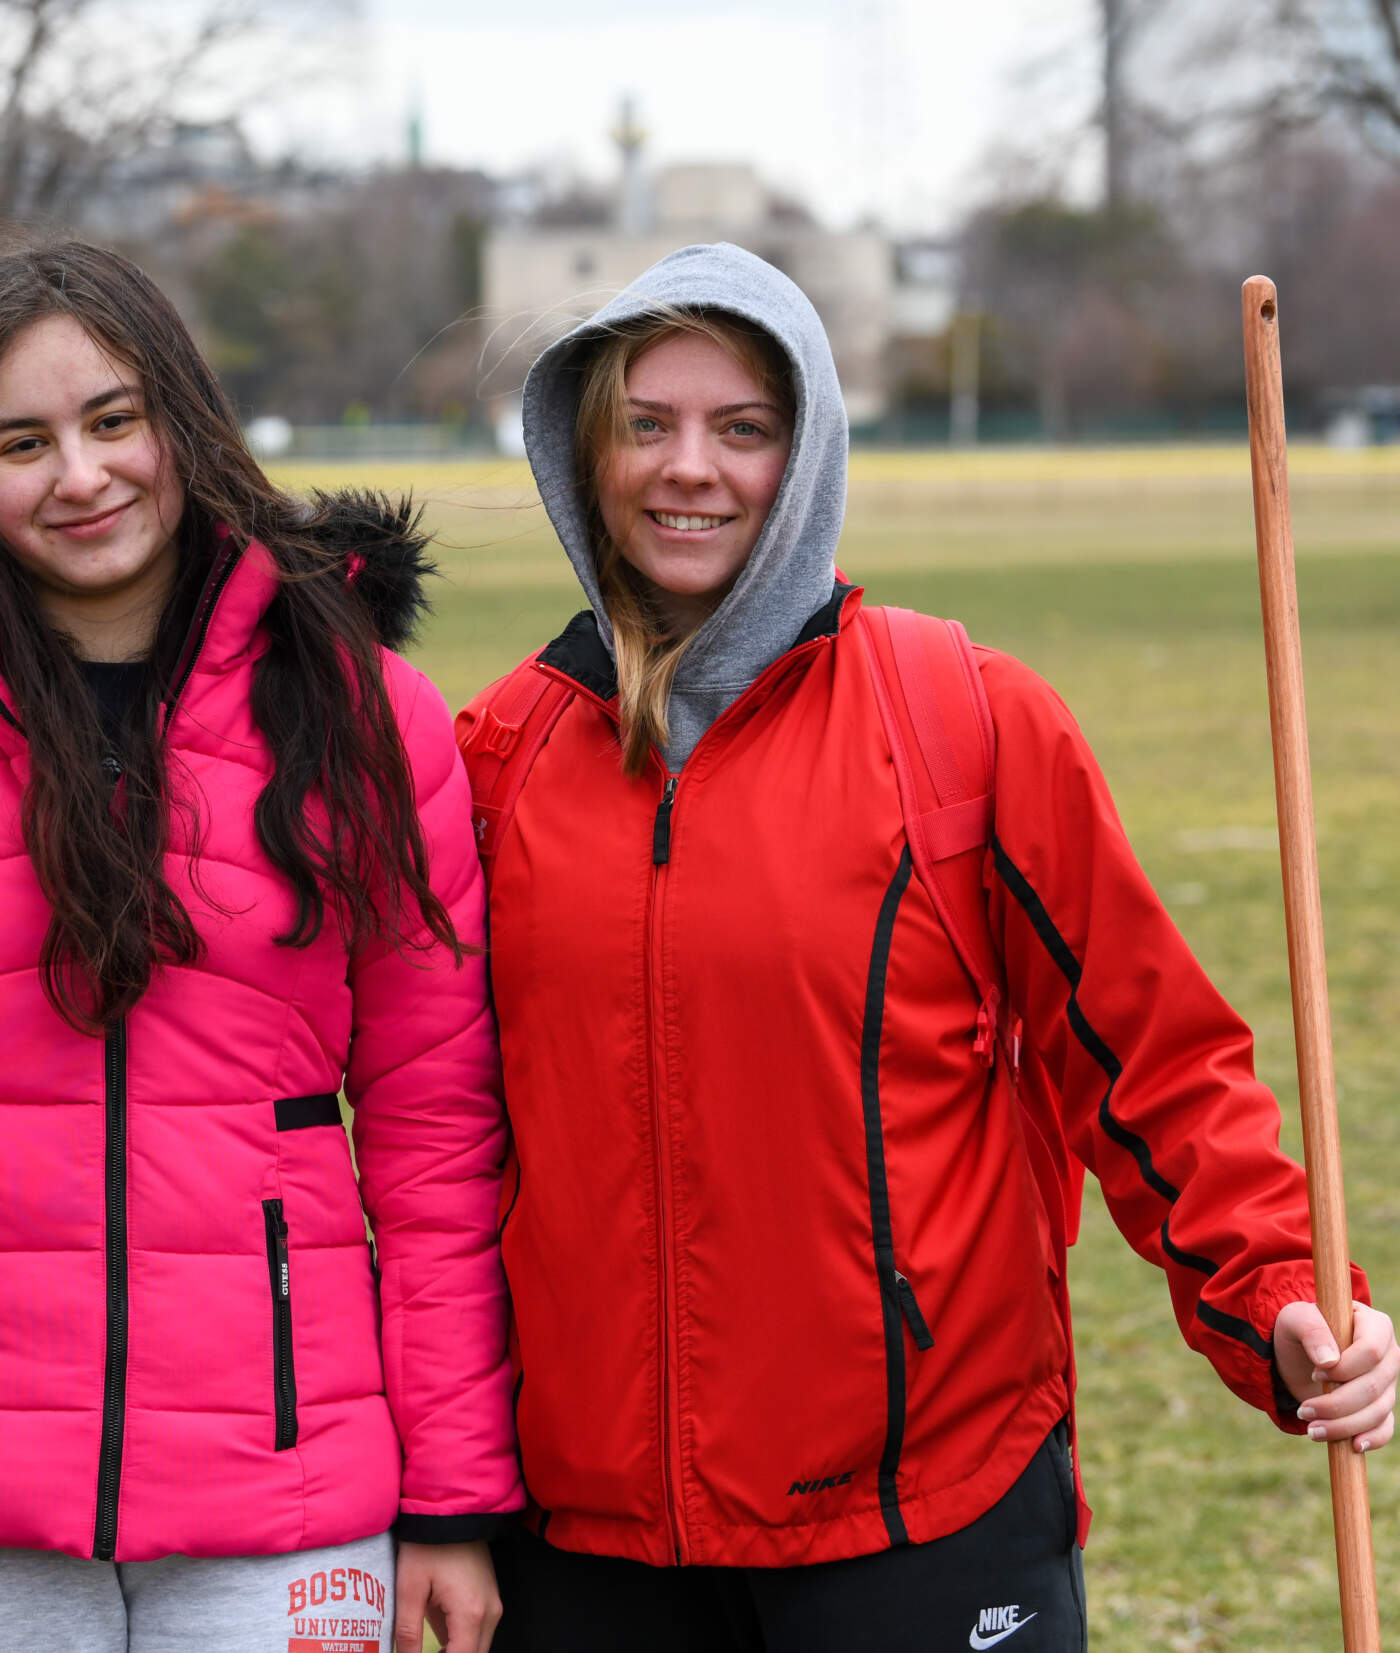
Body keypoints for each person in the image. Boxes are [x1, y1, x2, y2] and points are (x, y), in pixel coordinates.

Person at [463, 242, 1398, 1651]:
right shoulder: (497, 756)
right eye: (645, 424)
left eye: (744, 428)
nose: (688, 469)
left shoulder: (962, 714)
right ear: (584, 451)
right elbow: (432, 1143)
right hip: (588, 1542)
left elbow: (1154, 1062)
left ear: (812, 445)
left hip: (926, 1516)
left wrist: (1274, 1288)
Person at [0, 236, 519, 1653]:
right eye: (22, 442)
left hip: (286, 1483)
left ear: (182, 422)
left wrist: (452, 1499)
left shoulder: (368, 717)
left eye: (112, 420)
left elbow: (435, 1135)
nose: (80, 477)